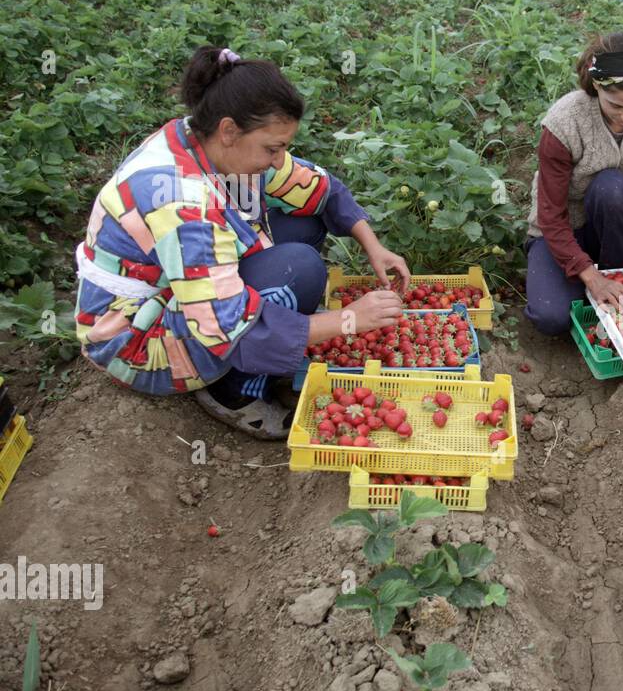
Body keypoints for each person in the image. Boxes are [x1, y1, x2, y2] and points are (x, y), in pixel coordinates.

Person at [74, 45, 409, 438]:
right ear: (230, 129)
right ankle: (232, 391)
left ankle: (284, 320)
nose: (278, 159)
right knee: (299, 268)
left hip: (183, 287)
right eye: (272, 148)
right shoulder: (181, 200)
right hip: (136, 341)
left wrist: (374, 246)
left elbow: (318, 188)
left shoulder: (204, 142)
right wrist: (350, 319)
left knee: (304, 226)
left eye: (282, 147)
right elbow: (227, 326)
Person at [524, 29, 623, 334]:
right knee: (551, 316)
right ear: (596, 85)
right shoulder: (564, 122)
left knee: (610, 187)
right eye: (616, 105)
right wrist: (591, 277)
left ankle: (619, 269)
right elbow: (550, 215)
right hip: (560, 230)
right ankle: (592, 280)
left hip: (615, 224)